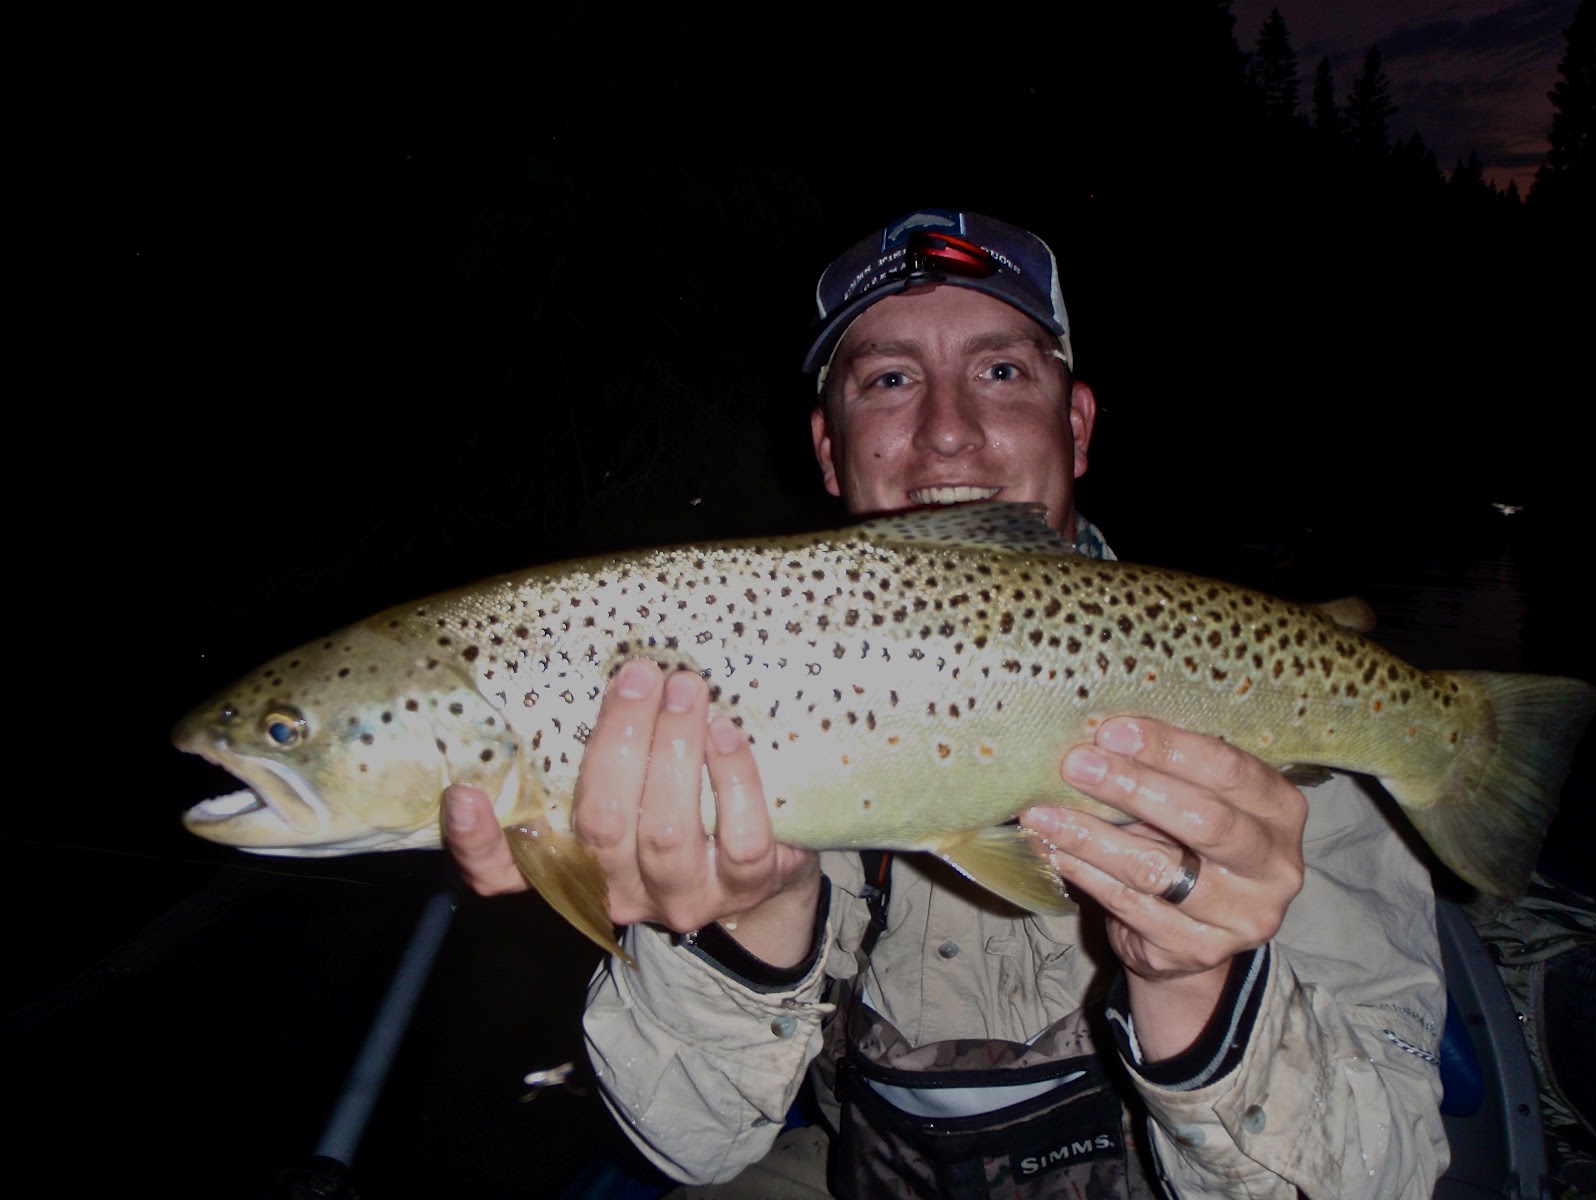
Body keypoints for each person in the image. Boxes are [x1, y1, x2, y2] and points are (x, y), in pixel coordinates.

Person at [443, 209, 1449, 1198]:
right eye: (888, 379)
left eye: (1002, 371)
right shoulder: (732, 706)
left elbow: (1389, 1178)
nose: (948, 431)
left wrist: (1196, 985)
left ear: (1078, 424)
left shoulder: (1268, 700)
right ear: (830, 450)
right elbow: (693, 1146)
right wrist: (752, 916)